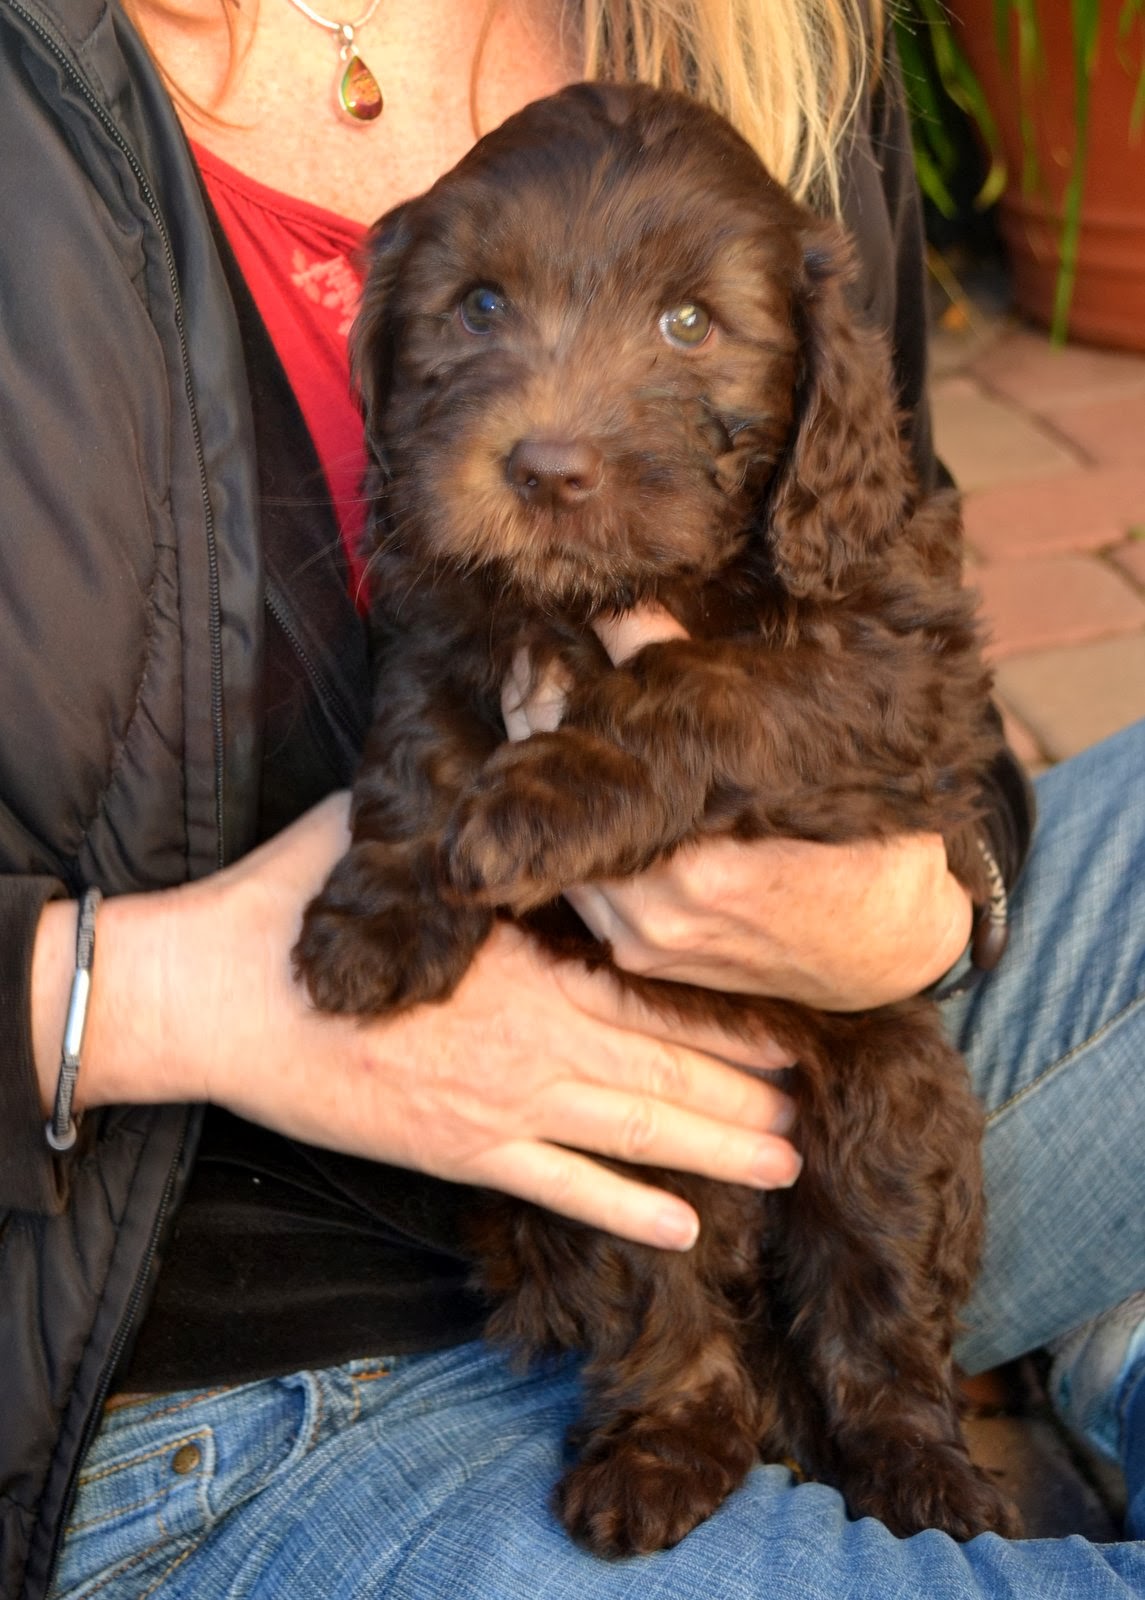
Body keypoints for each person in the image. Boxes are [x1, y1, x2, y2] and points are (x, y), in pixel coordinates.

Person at [0, 1, 1141, 1596]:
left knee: (888, 1213)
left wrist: (915, 904)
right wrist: (156, 999)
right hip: (237, 1363)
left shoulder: (770, 40)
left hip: (818, 1106)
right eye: (476, 310)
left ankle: (950, 1383)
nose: (552, 424)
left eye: (685, 329)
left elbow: (891, 591)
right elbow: (430, 722)